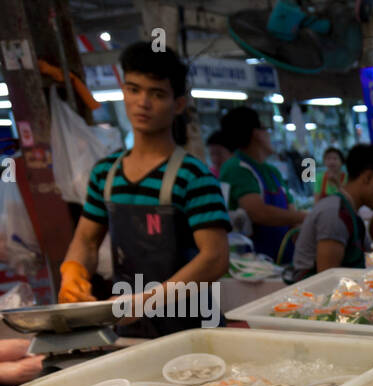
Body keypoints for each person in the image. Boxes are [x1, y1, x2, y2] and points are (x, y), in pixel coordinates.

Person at [58, 43, 230, 337]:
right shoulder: (105, 174)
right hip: (130, 328)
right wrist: (73, 270)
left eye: (157, 93)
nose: (143, 102)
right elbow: (86, 240)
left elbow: (215, 258)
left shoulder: (193, 175)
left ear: (177, 105)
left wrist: (146, 301)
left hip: (192, 330)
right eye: (134, 89)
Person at [292, 143, 373, 279]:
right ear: (367, 178)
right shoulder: (334, 214)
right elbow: (327, 279)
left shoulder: (351, 213)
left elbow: (364, 260)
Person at [218, 105, 305, 262]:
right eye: (267, 129)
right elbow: (258, 213)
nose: (269, 135)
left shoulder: (272, 171)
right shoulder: (236, 168)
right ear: (256, 133)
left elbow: (292, 213)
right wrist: (306, 216)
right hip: (253, 267)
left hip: (284, 261)